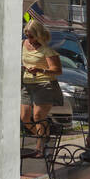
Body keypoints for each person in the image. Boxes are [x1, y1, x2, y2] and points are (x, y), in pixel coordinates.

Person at [21, 19, 62, 150]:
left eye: (31, 36)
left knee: (38, 116)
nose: (29, 38)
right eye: (27, 35)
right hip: (27, 84)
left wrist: (40, 70)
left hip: (44, 84)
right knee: (24, 118)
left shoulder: (46, 50)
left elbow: (58, 70)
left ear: (38, 35)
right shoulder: (23, 44)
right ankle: (43, 137)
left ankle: (40, 147)